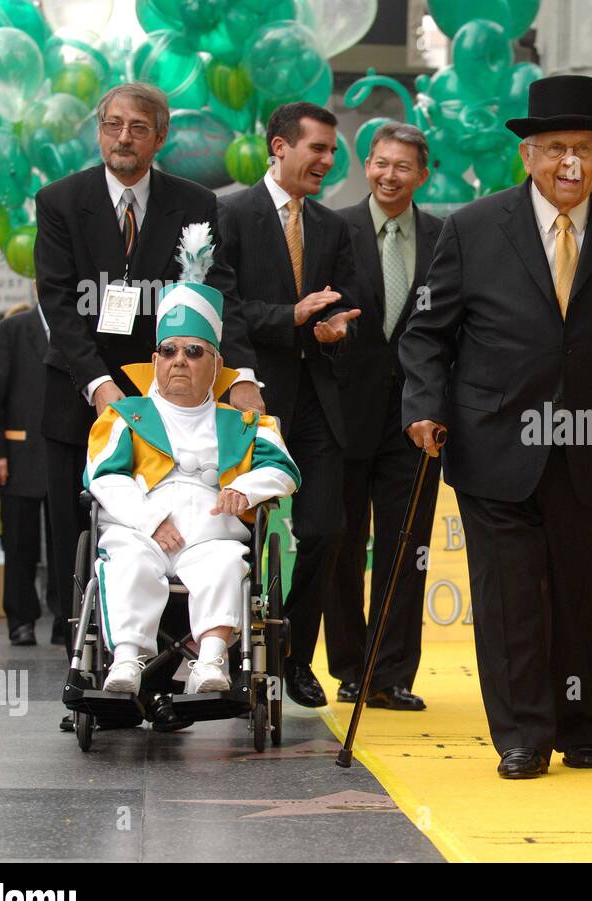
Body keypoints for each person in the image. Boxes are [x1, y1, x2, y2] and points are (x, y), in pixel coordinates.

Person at [400, 74, 592, 779]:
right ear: (528, 155)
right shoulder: (472, 227)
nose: (570, 164)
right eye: (556, 149)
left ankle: (583, 724)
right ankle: (522, 735)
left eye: (585, 148)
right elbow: (428, 333)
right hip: (496, 444)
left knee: (591, 594)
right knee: (510, 599)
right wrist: (425, 407)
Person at [35, 83, 262, 733]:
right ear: (99, 133)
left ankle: (167, 666)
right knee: (88, 528)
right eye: (111, 125)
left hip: (173, 389)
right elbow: (59, 306)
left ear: (160, 136)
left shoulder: (194, 206)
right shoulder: (61, 203)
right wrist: (101, 388)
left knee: (178, 522)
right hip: (82, 393)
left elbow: (220, 295)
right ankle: (95, 668)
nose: (123, 137)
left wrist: (240, 373)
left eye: (138, 127)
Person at [87, 226, 299, 697]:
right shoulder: (126, 416)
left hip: (210, 532)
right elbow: (102, 475)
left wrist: (248, 489)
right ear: (156, 358)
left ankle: (210, 661)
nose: (178, 360)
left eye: (193, 351)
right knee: (127, 560)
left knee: (226, 561)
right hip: (142, 527)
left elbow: (283, 469)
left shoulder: (244, 423)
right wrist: (151, 517)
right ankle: (125, 659)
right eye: (169, 350)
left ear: (217, 363)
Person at [216, 101, 361, 709]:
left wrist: (331, 329)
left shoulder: (332, 228)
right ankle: (222, 653)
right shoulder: (227, 215)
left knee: (327, 527)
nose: (328, 161)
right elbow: (219, 307)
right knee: (238, 536)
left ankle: (296, 657)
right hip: (249, 401)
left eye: (332, 151)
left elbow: (340, 305)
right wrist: (290, 318)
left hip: (319, 403)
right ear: (279, 147)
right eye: (318, 149)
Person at [329, 122, 444, 709]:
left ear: (422, 174)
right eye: (379, 163)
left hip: (415, 421)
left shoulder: (445, 236)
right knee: (343, 544)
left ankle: (391, 672)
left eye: (402, 166)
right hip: (344, 415)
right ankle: (350, 666)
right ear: (366, 165)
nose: (388, 175)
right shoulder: (335, 229)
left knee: (407, 546)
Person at [0, 305, 53, 647]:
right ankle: (20, 618)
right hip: (19, 452)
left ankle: (66, 619)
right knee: (20, 542)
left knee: (64, 542)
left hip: (65, 452)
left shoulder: (78, 325)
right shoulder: (13, 329)